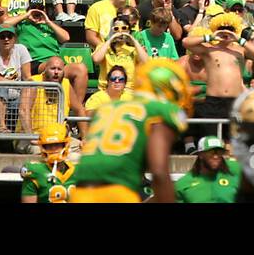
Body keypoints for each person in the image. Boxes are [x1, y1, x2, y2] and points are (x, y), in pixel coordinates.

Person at [71, 58, 191, 203]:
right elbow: (159, 172)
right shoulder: (158, 110)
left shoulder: (107, 108)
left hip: (80, 193)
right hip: (117, 193)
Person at [21, 122, 78, 204]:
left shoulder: (78, 170)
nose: (54, 149)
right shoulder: (35, 171)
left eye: (57, 144)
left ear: (65, 145)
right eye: (49, 145)